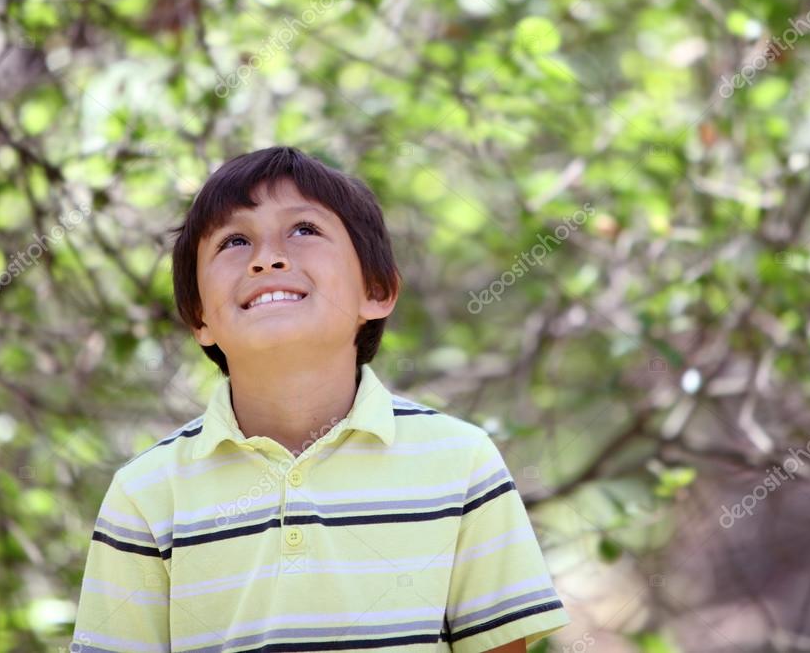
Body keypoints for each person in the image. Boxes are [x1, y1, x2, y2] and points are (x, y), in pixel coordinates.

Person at [70, 146, 571, 652]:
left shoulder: (461, 463)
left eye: (304, 230)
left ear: (375, 290)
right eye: (235, 240)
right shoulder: (146, 494)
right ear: (200, 317)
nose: (267, 258)